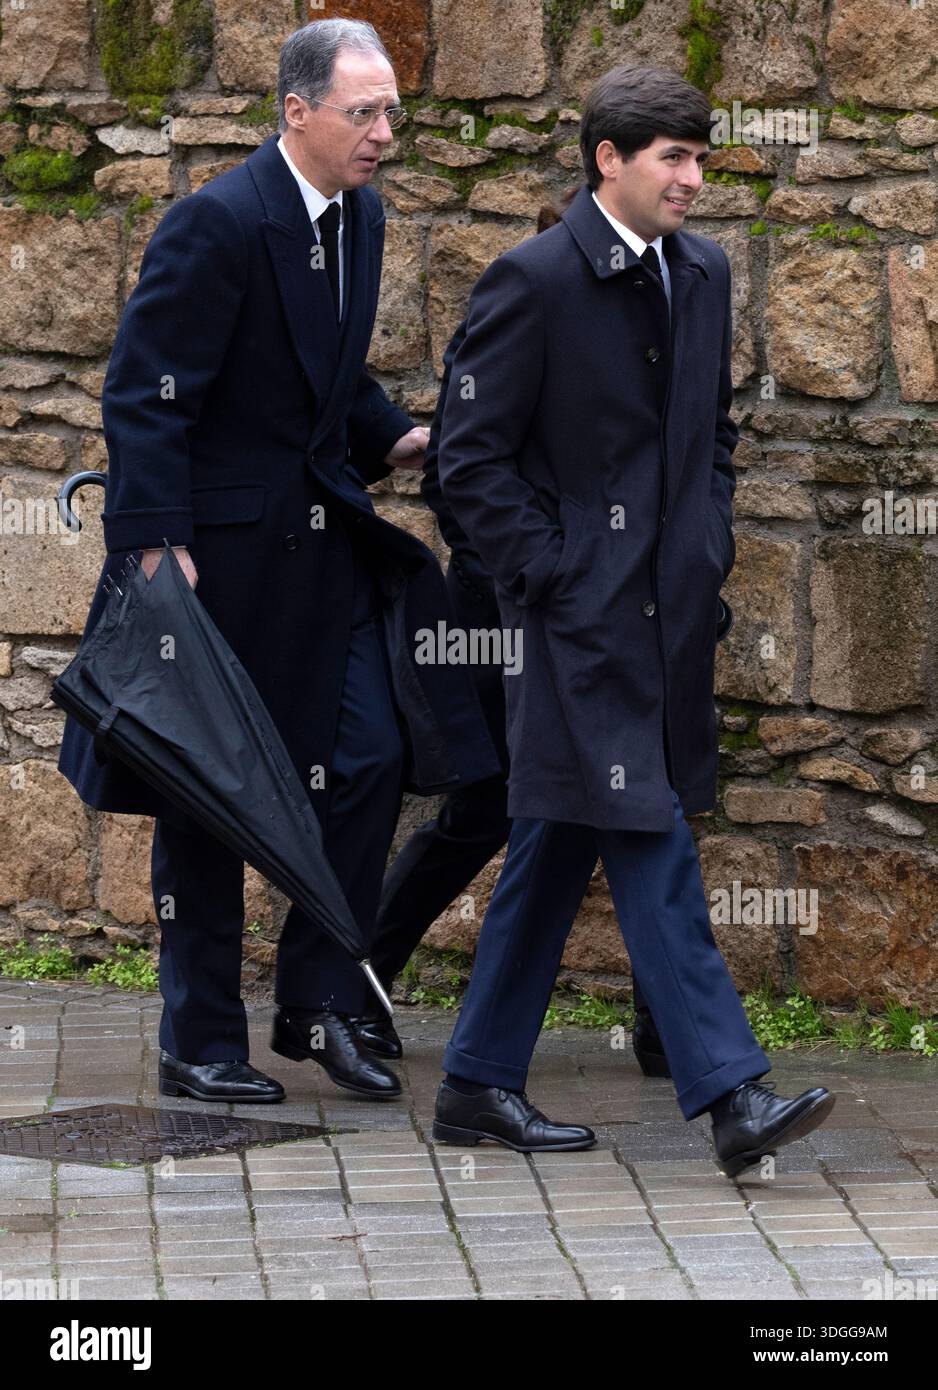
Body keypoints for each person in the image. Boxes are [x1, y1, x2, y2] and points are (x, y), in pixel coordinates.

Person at [58, 18, 498, 1106]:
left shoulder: (360, 218)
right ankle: (198, 1039)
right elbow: (145, 388)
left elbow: (327, 376)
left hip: (322, 554)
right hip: (216, 566)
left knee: (366, 761)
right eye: (364, 112)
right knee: (208, 794)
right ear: (296, 111)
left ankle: (316, 1002)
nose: (385, 132)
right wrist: (156, 546)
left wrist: (392, 434)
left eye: (391, 110)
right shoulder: (216, 222)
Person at [431, 64, 834, 1176]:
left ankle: (472, 1083)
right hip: (573, 626)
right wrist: (551, 573)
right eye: (673, 157)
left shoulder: (701, 273)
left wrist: (705, 542)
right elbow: (467, 463)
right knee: (649, 837)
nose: (694, 178)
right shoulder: (532, 280)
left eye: (700, 157)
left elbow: (710, 437)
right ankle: (730, 1093)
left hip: (666, 621)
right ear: (606, 159)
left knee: (556, 845)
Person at [364, 186, 712, 1080]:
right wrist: (545, 575)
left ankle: (660, 1031)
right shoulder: (524, 302)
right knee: (492, 806)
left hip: (613, 610)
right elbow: (459, 472)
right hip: (504, 612)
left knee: (623, 799)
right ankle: (360, 976)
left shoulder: (670, 305)